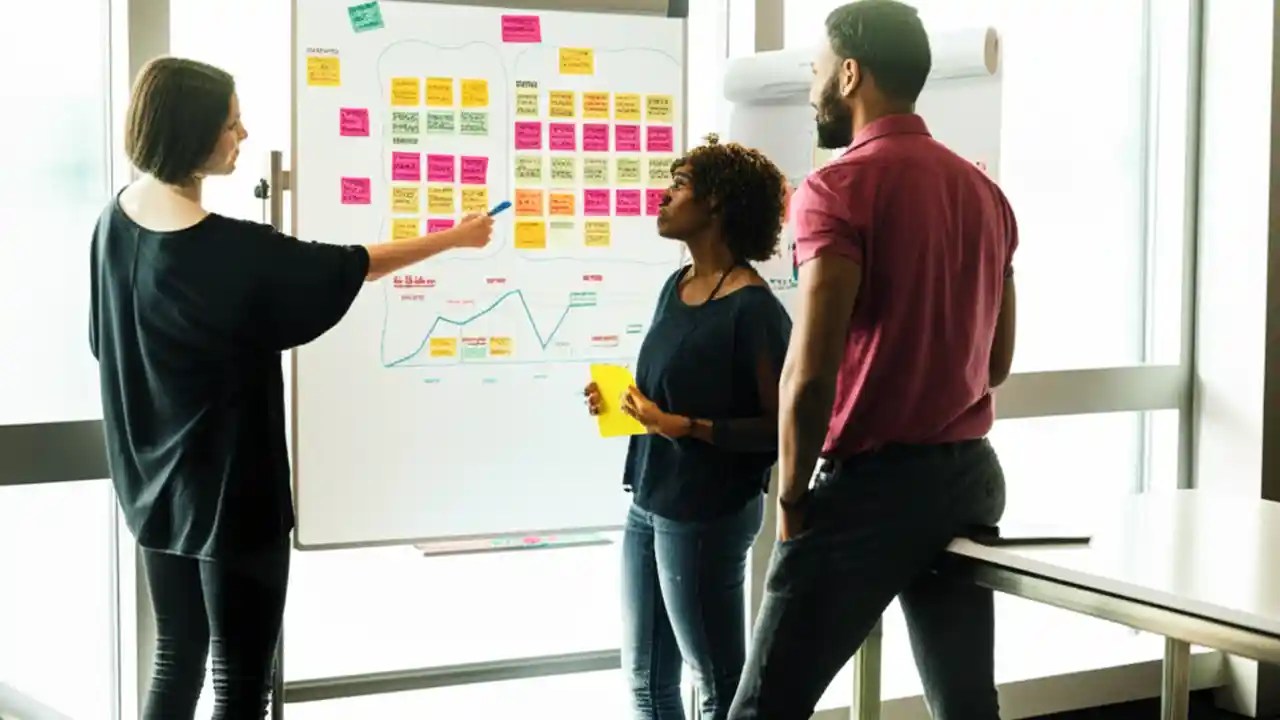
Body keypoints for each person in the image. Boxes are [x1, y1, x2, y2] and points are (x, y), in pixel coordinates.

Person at [89, 57, 493, 720]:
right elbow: (351, 266)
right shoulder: (234, 251)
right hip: (234, 497)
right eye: (230, 124)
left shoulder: (114, 225)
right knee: (242, 681)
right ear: (191, 133)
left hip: (152, 490)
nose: (242, 135)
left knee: (176, 657)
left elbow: (102, 344)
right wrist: (453, 237)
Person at [727, 1, 1018, 719]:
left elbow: (811, 369)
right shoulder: (986, 195)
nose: (812, 87)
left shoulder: (837, 190)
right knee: (966, 708)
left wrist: (791, 498)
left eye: (818, 70)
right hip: (970, 479)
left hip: (873, 492)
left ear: (851, 74)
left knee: (763, 708)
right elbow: (998, 363)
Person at [582, 136, 791, 720]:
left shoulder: (754, 310)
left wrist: (688, 426)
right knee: (646, 683)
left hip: (705, 514)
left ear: (718, 204)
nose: (663, 195)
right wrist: (622, 403)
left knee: (717, 685)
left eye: (679, 186)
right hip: (649, 499)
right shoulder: (673, 288)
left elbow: (781, 432)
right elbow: (666, 392)